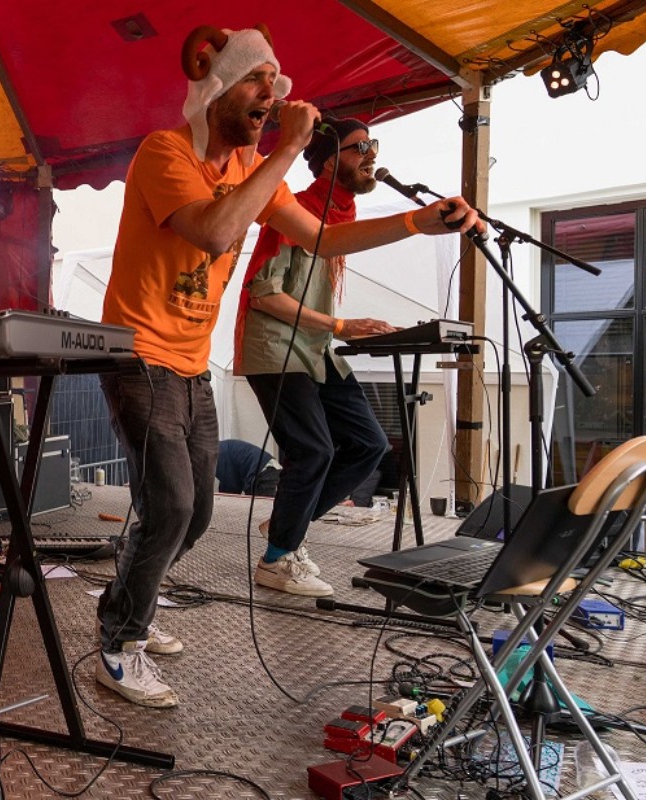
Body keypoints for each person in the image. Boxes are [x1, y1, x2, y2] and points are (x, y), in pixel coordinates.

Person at [96, 25, 483, 708]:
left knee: (197, 512)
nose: (271, 94)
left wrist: (419, 222)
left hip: (189, 360)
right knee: (173, 505)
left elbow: (326, 234)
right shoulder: (165, 152)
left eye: (277, 82)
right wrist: (291, 148)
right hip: (138, 354)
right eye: (257, 79)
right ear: (216, 90)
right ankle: (119, 643)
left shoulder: (252, 169)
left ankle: (134, 597)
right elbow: (215, 231)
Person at [234, 118, 396, 598]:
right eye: (358, 147)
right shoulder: (295, 212)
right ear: (328, 161)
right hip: (276, 350)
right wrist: (341, 326)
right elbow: (261, 293)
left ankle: (287, 524)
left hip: (315, 350)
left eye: (373, 145)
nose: (371, 154)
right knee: (314, 450)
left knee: (369, 444)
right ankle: (278, 557)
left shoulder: (338, 218)